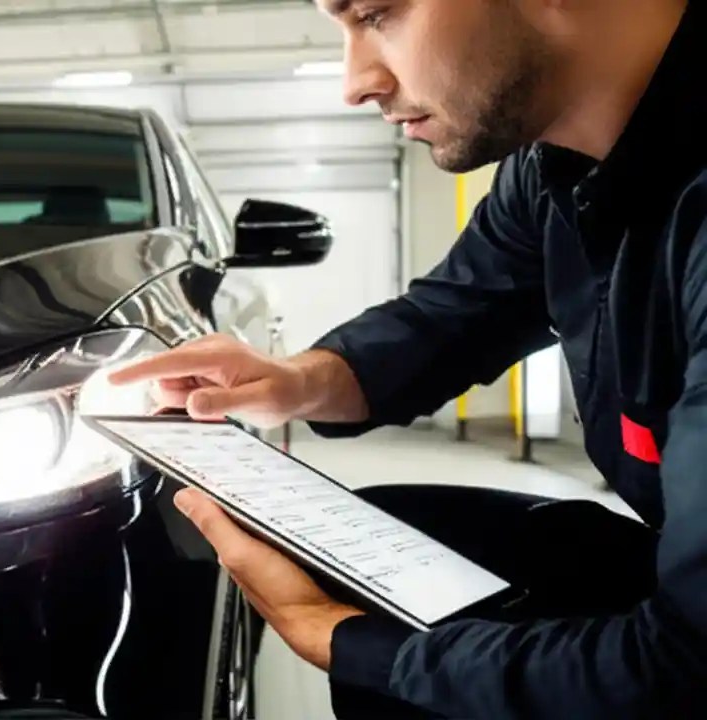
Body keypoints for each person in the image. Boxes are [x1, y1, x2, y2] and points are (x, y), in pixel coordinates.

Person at [107, 0, 707, 717]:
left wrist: (337, 640)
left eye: (375, 13)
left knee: (392, 652)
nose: (354, 82)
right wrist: (294, 381)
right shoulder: (552, 171)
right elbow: (453, 316)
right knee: (388, 549)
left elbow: (685, 667)